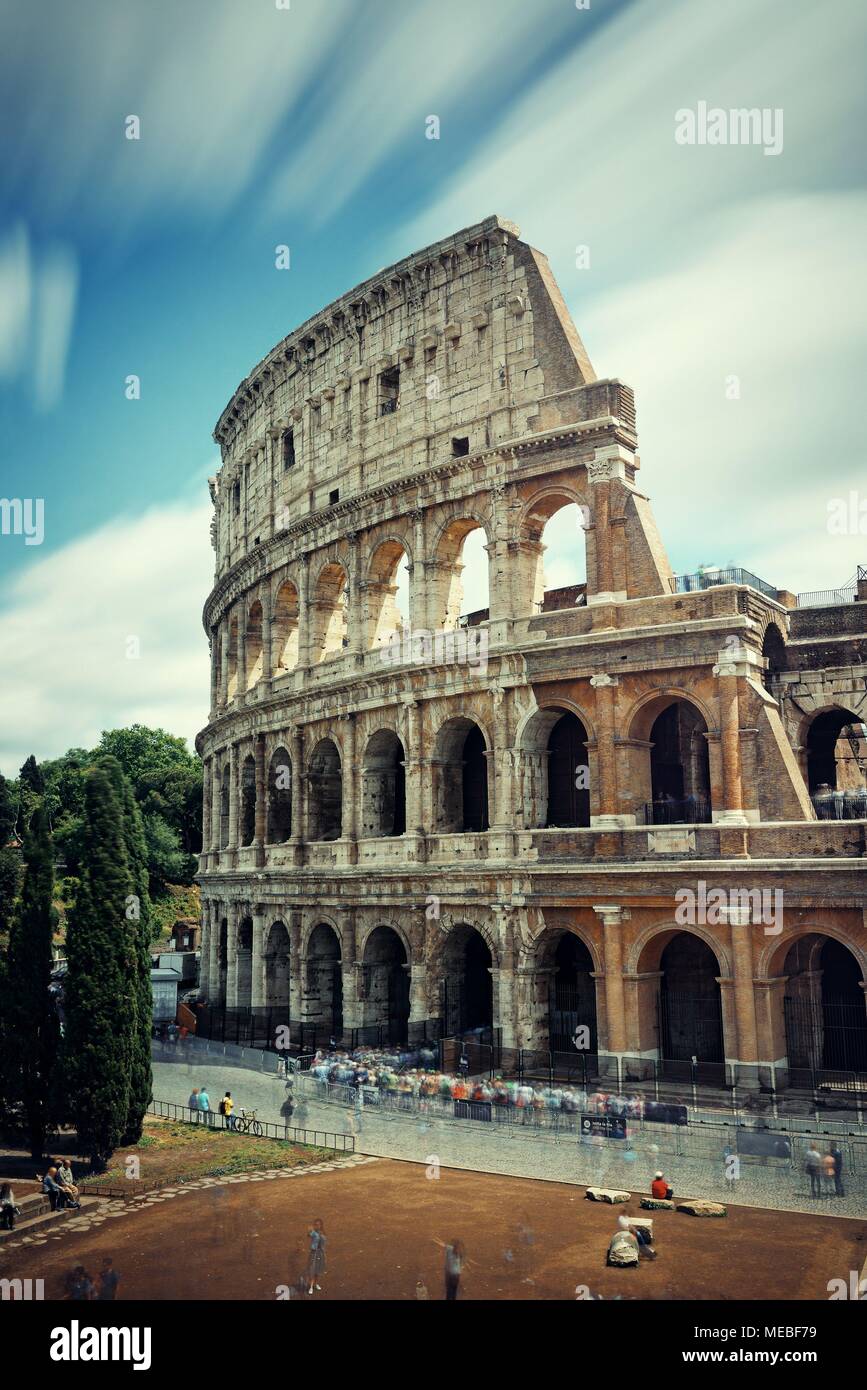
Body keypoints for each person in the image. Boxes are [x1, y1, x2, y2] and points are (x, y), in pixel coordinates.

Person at [306, 1219, 327, 1295]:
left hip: (320, 1253)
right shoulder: (314, 1233)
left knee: (318, 1270)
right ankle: (311, 1286)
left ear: (321, 1225)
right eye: (315, 1225)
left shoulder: (323, 1234)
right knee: (312, 1270)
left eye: (318, 1225)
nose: (317, 1226)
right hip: (313, 1253)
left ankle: (316, 1284)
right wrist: (309, 1231)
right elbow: (309, 1235)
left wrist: (324, 1255)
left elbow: (323, 1246)